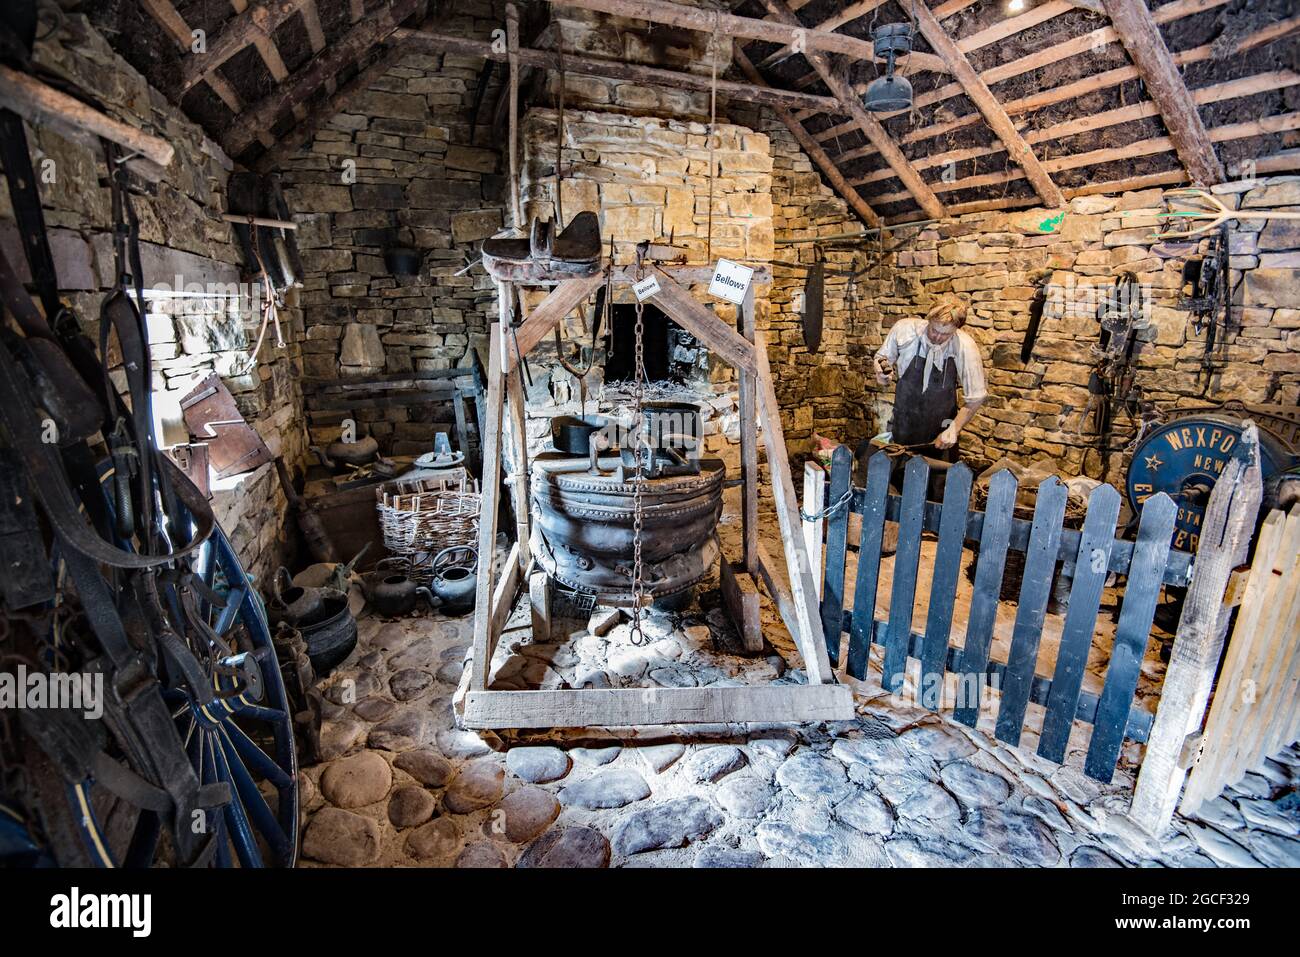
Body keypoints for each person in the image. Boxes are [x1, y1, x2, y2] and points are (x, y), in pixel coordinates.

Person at [872, 295, 987, 483]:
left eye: (946, 334)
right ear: (929, 320)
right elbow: (882, 358)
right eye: (934, 330)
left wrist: (954, 429)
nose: (938, 337)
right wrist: (881, 373)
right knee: (898, 484)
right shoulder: (904, 330)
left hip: (940, 433)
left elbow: (976, 398)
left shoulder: (965, 347)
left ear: (956, 330)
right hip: (903, 424)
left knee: (935, 489)